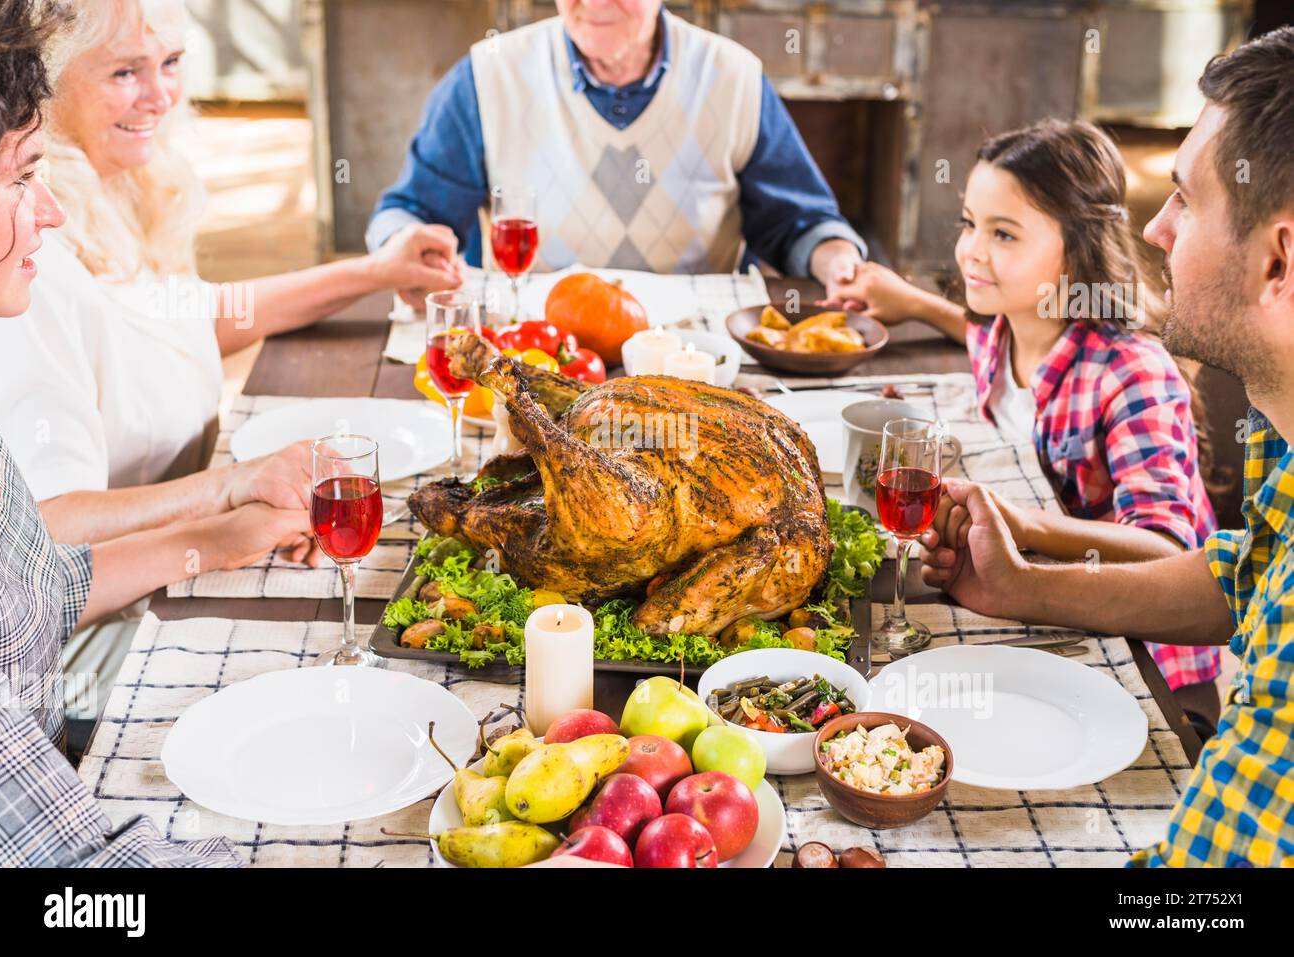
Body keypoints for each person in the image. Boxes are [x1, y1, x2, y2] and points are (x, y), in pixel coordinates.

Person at [0, 0, 464, 722]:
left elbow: (198, 318)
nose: (159, 95)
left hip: (170, 566)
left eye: (172, 65)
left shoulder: (109, 195)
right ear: (47, 86)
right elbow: (42, 535)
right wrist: (226, 492)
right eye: (125, 72)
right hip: (96, 650)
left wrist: (373, 272)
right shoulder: (28, 256)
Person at [917, 27, 1294, 867]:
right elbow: (1240, 573)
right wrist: (1025, 584)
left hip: (1174, 693)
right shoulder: (1281, 430)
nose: (1154, 228)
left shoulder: (1132, 371)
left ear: (1279, 262)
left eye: (1186, 200)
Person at [825, 118, 1221, 719]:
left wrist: (1028, 528)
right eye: (968, 223)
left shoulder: (1131, 373)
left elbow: (1169, 548)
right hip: (1040, 604)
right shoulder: (1007, 325)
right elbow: (972, 328)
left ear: (1078, 249)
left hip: (1148, 662)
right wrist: (913, 303)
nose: (971, 252)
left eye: (1004, 234)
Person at [0, 0, 249, 866]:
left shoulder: (129, 200)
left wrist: (222, 533)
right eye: (23, 177)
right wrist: (219, 501)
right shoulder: (37, 285)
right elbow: (81, 878)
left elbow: (38, 587)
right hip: (81, 709)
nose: (51, 213)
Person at [367, 0, 866, 298]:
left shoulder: (734, 76)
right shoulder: (486, 76)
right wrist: (402, 248)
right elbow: (411, 213)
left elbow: (797, 223)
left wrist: (836, 261)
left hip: (695, 365)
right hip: (539, 357)